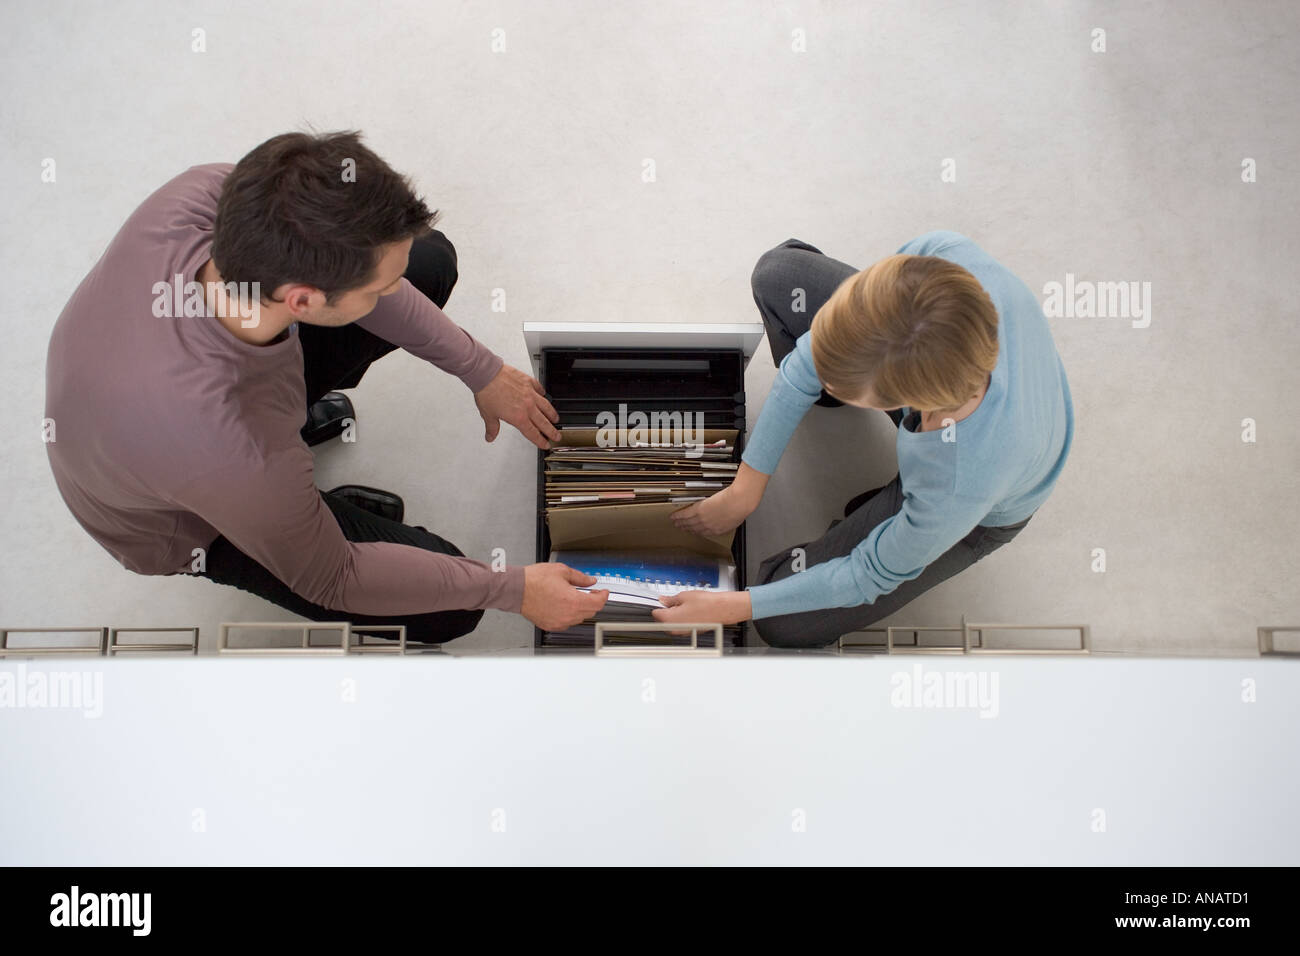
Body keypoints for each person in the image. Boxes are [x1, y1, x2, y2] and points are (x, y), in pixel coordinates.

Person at [44, 130, 607, 643]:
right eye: (379, 287)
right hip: (188, 518)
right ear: (303, 302)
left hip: (174, 411)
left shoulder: (214, 195)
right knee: (452, 610)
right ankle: (300, 516)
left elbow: (389, 285)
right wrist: (514, 589)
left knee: (429, 261)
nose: (390, 289)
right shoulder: (238, 455)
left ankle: (296, 489)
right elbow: (335, 577)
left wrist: (478, 367)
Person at [653, 232, 1074, 648]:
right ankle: (882, 513)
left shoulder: (958, 484)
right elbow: (810, 358)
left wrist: (730, 607)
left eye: (837, 383)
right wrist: (745, 490)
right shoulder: (946, 258)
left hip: (979, 514)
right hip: (946, 394)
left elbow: (866, 573)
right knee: (780, 275)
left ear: (907, 401)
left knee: (784, 625)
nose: (812, 365)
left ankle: (893, 516)